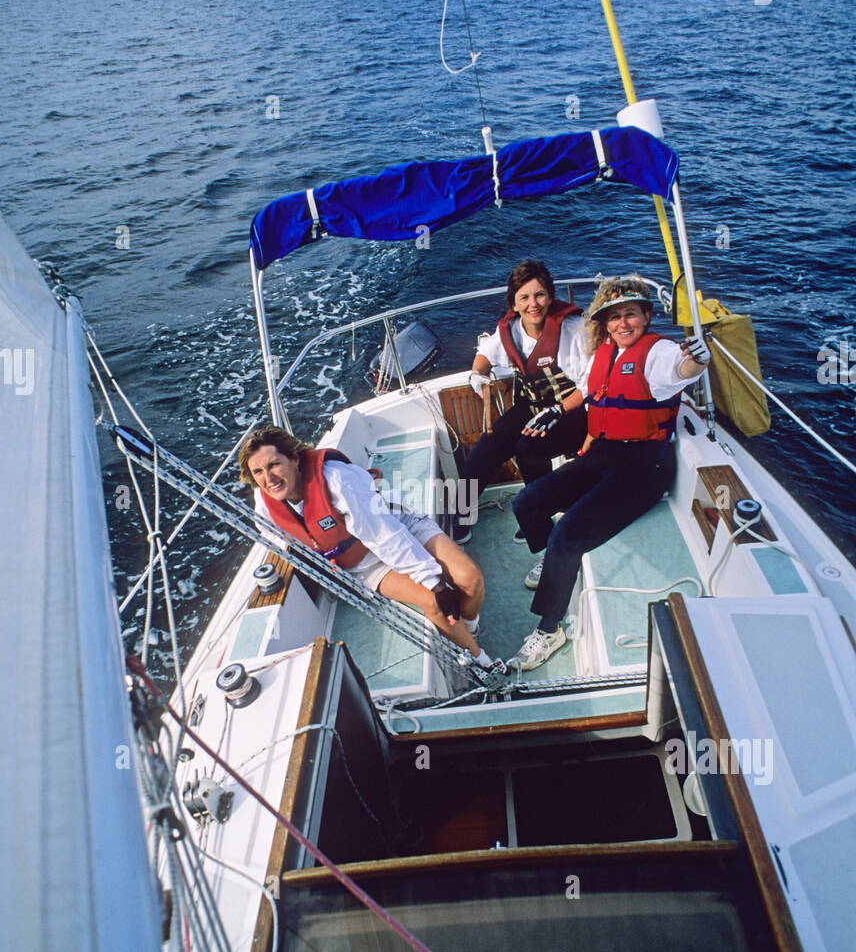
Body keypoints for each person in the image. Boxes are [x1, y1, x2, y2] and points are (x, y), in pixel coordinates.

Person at [509, 275, 711, 670]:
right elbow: (587, 390)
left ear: (646, 316)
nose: (622, 324)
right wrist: (556, 411)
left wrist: (697, 361)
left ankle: (550, 629)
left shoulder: (659, 353)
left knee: (568, 532)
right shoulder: (605, 352)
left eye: (631, 315)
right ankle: (552, 558)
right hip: (603, 452)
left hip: (643, 466)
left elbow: (680, 369)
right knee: (526, 502)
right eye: (614, 317)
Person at [239, 425, 490, 663]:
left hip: (396, 526)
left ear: (294, 458)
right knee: (434, 603)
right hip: (366, 565)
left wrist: (434, 582)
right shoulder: (264, 499)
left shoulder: (337, 480)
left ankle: (470, 626)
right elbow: (270, 532)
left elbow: (384, 535)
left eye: (274, 464)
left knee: (470, 580)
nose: (268, 478)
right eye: (258, 472)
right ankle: (483, 662)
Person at [451, 259, 588, 544]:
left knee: (529, 448)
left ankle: (537, 517)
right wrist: (478, 376)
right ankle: (459, 514)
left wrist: (558, 409)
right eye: (524, 297)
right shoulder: (511, 331)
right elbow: (484, 356)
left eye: (539, 295)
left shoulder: (575, 330)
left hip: (572, 411)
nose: (533, 304)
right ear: (513, 304)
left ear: (550, 297)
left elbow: (592, 385)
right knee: (487, 448)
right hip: (533, 405)